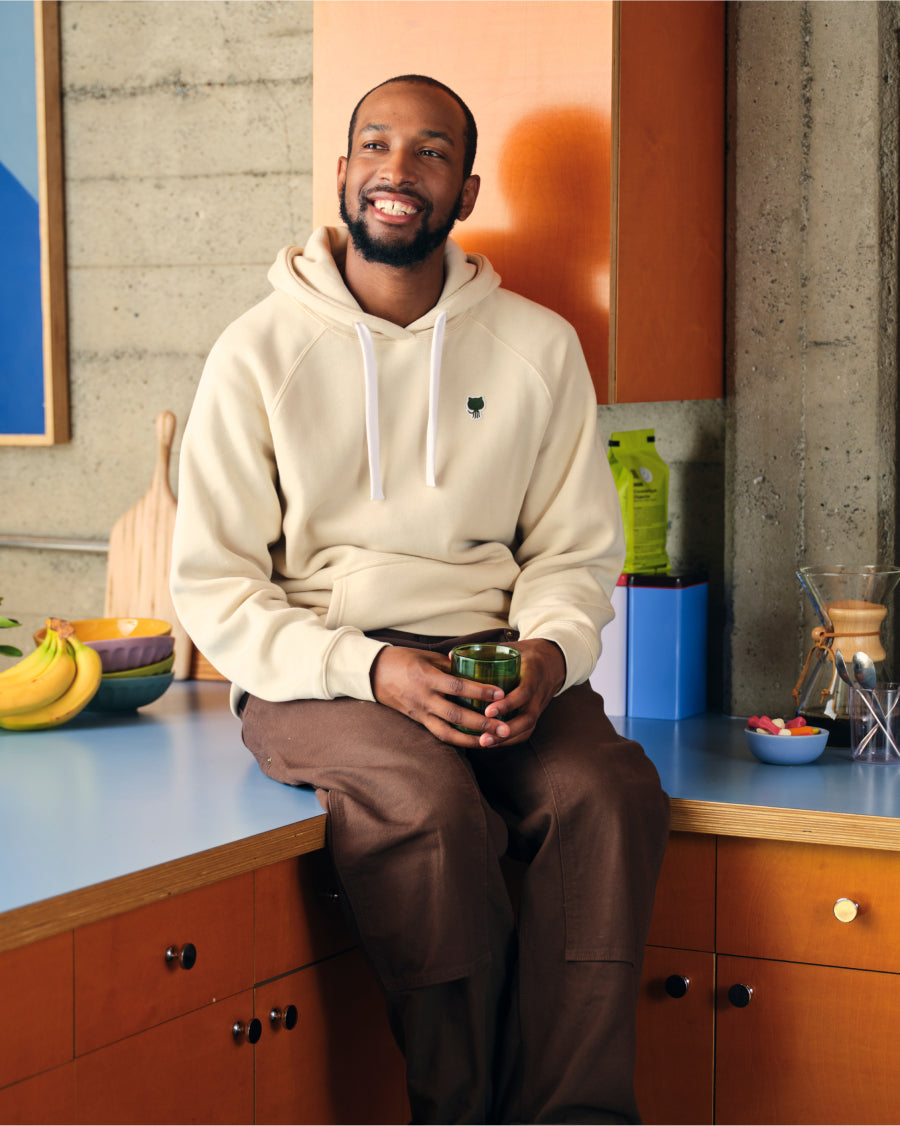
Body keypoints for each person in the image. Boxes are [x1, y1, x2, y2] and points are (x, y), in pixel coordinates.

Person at [171, 74, 670, 1125]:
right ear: (345, 172)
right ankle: (460, 1110)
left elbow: (575, 555)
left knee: (606, 791)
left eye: (430, 151)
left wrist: (551, 651)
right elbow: (217, 590)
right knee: (432, 809)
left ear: (467, 188)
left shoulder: (538, 348)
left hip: (498, 656)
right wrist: (370, 668)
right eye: (377, 146)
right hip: (321, 668)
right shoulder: (256, 352)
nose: (399, 170)